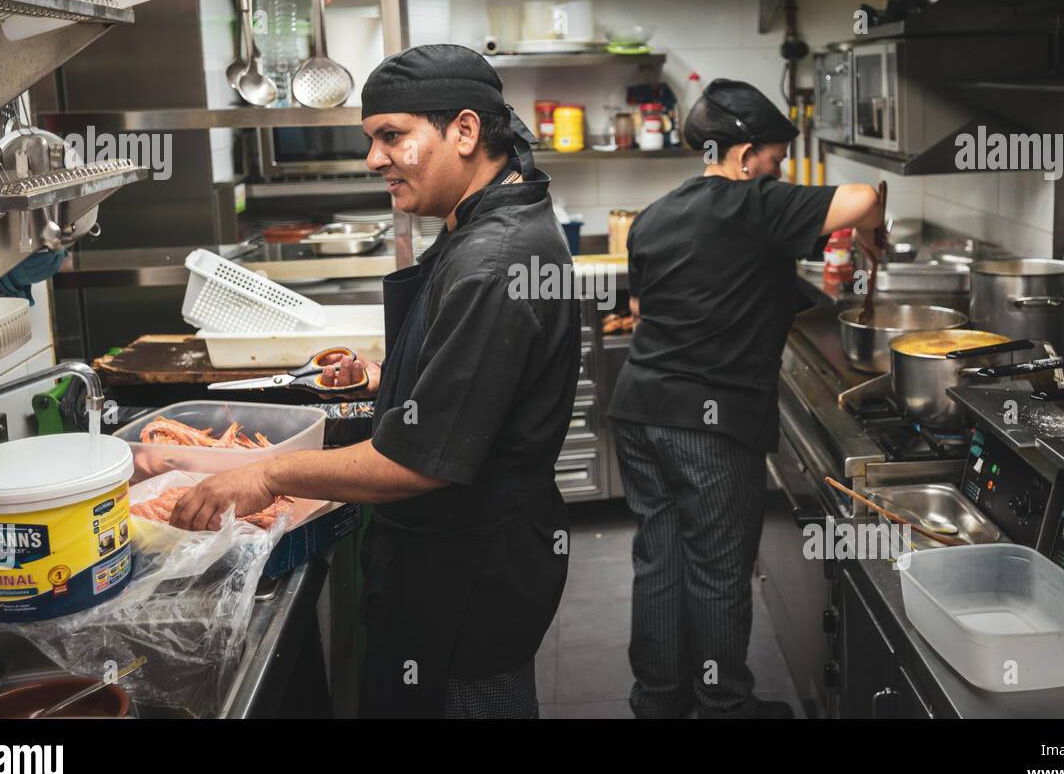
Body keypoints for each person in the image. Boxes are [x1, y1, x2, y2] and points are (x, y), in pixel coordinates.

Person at [171, 44, 580, 719]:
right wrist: (391, 376)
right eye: (371, 139)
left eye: (393, 136)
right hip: (459, 562)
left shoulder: (495, 258)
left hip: (467, 582)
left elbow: (421, 462)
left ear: (467, 131)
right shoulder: (482, 218)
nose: (374, 159)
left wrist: (270, 475)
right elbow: (472, 382)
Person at [607, 78, 883, 719]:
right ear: (740, 154)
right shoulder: (754, 203)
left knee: (659, 557)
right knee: (718, 567)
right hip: (707, 424)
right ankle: (725, 705)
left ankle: (658, 700)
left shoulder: (654, 215)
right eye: (775, 159)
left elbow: (647, 309)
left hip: (639, 407)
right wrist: (875, 227)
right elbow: (865, 196)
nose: (778, 172)